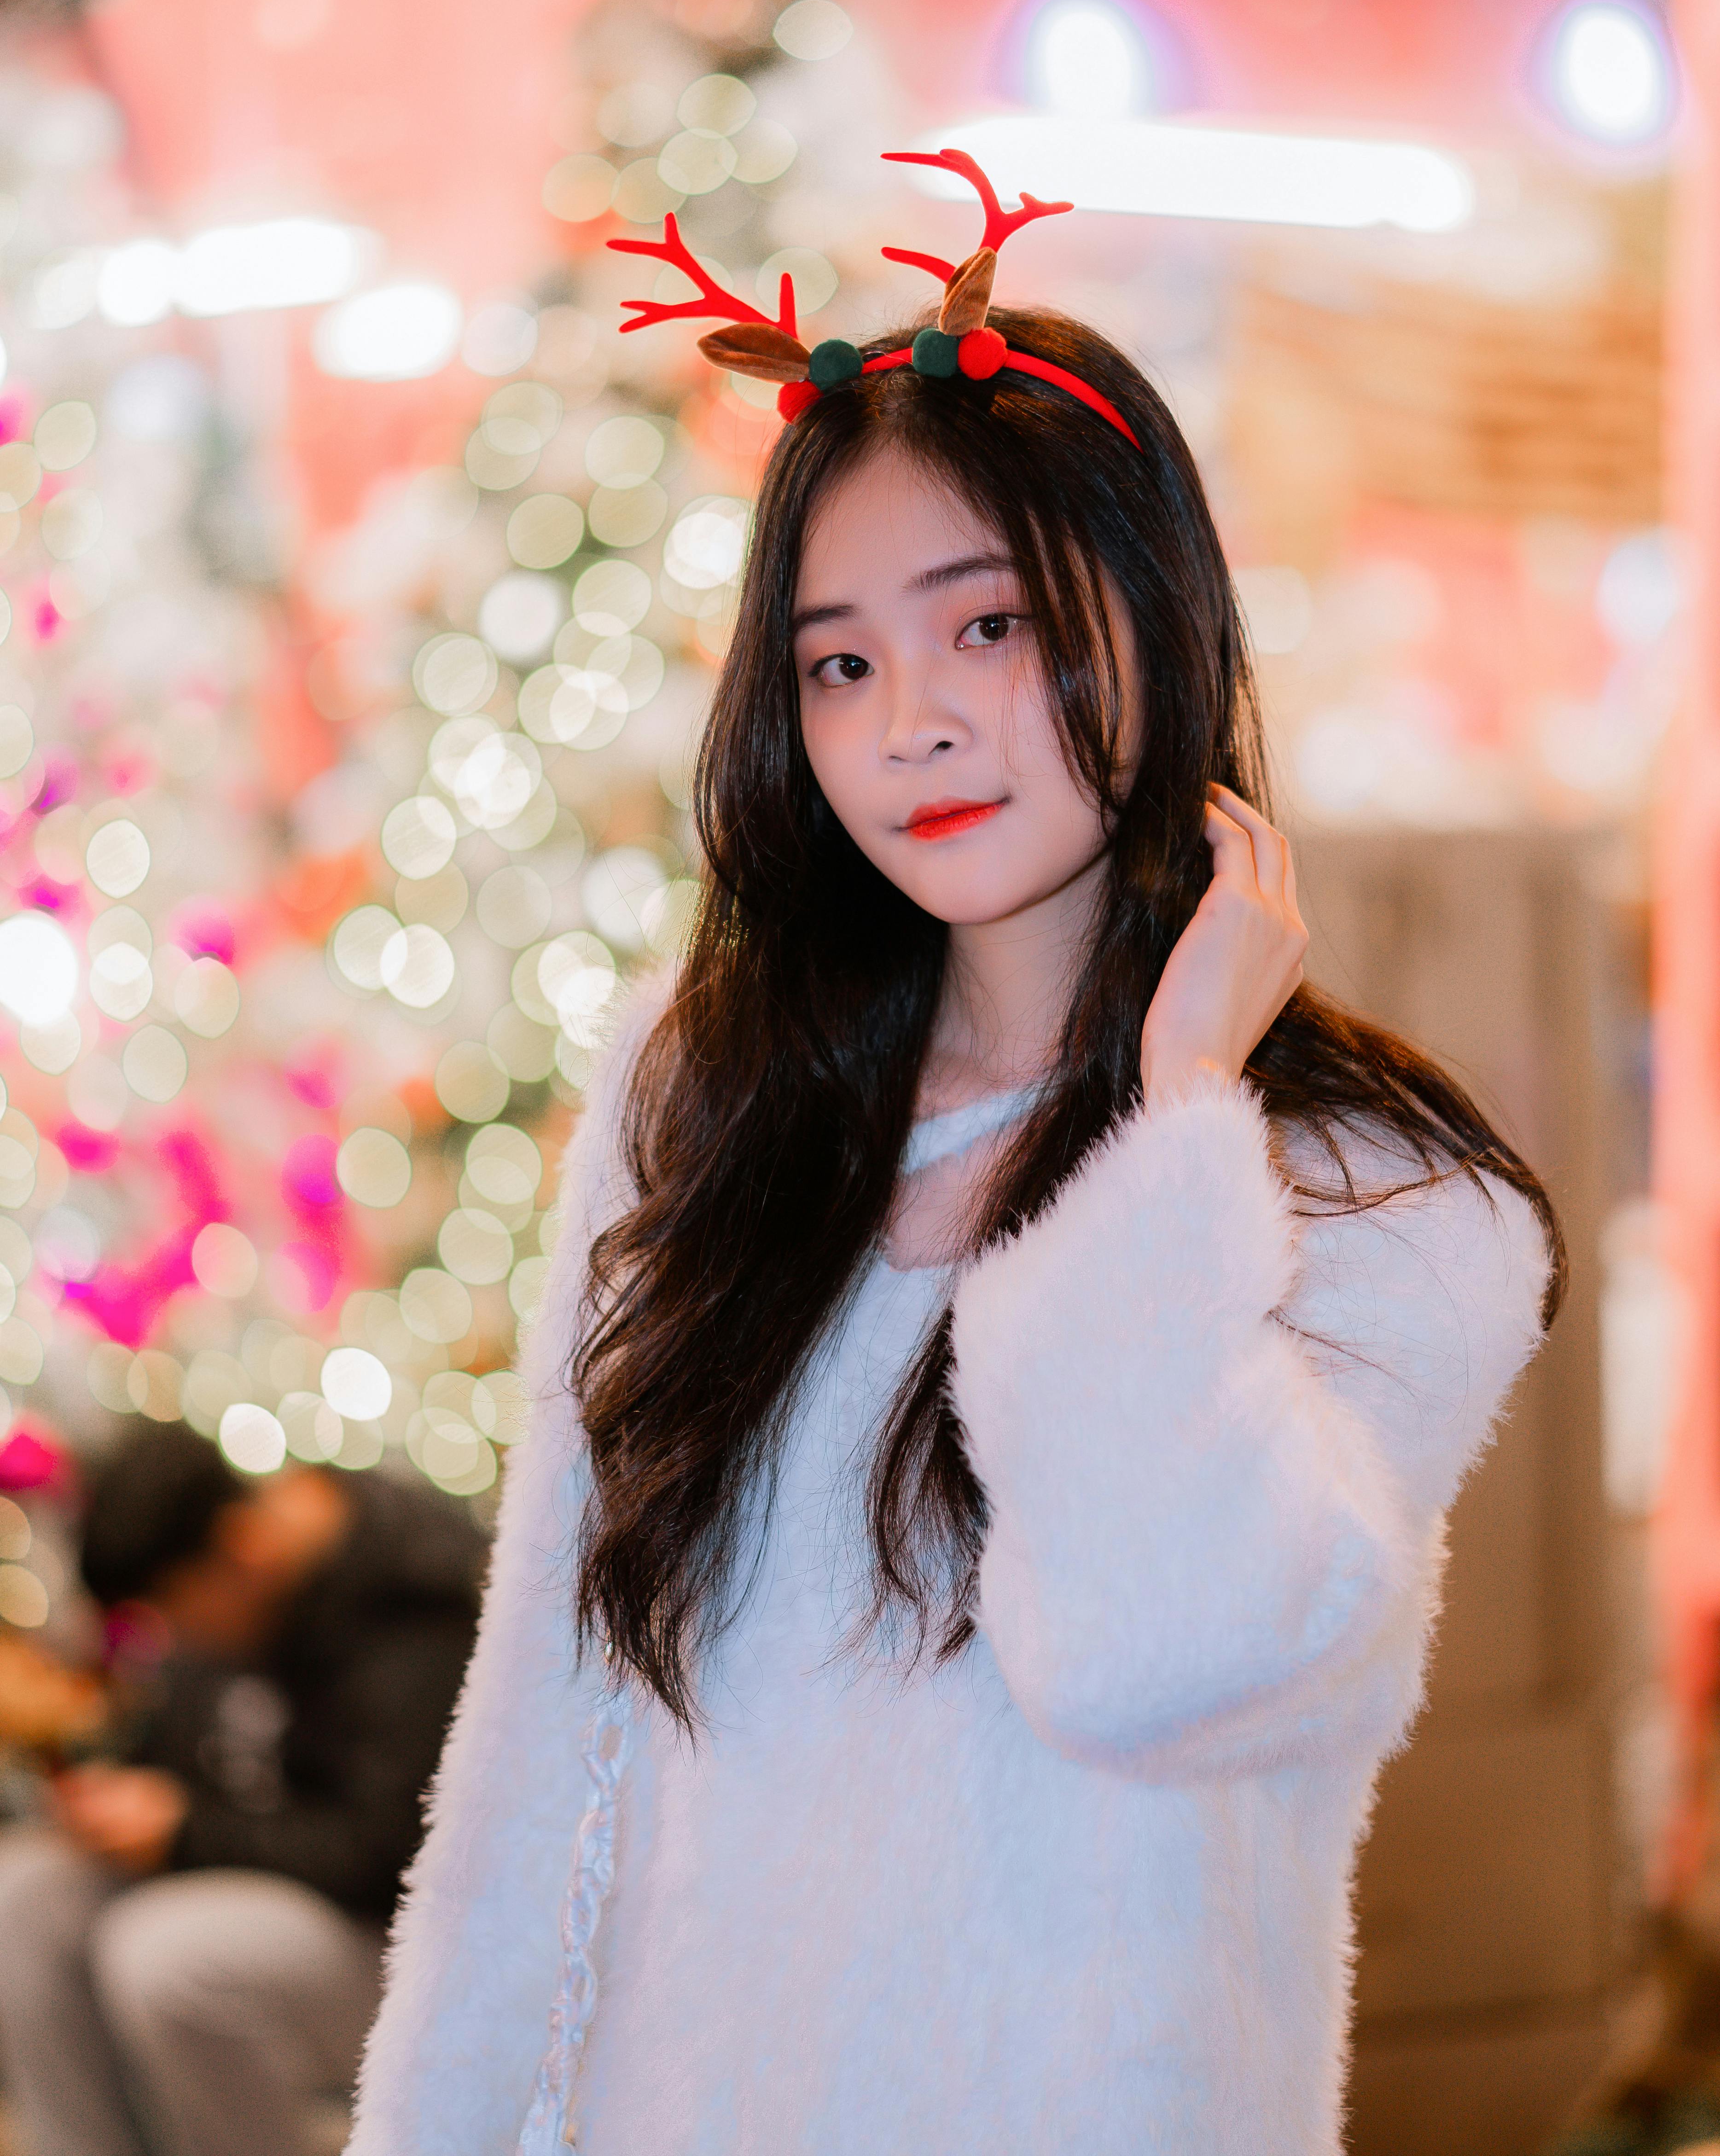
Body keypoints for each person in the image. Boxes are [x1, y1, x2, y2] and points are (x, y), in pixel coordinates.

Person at [351, 157, 1565, 2156]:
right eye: (837, 661)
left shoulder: (1385, 1198)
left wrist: (1178, 1117)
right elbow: (540, 1746)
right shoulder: (704, 1088)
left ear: (1152, 620)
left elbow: (1164, 1659)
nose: (906, 721)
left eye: (984, 624)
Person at [0, 1420, 484, 2156]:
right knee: (24, 1896)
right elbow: (187, 1761)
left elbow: (386, 1852)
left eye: (169, 1608)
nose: (167, 1637)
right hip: (257, 1881)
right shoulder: (236, 1597)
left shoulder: (415, 1601)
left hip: (397, 1936)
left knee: (169, 1960)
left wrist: (183, 1832)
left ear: (238, 1548)